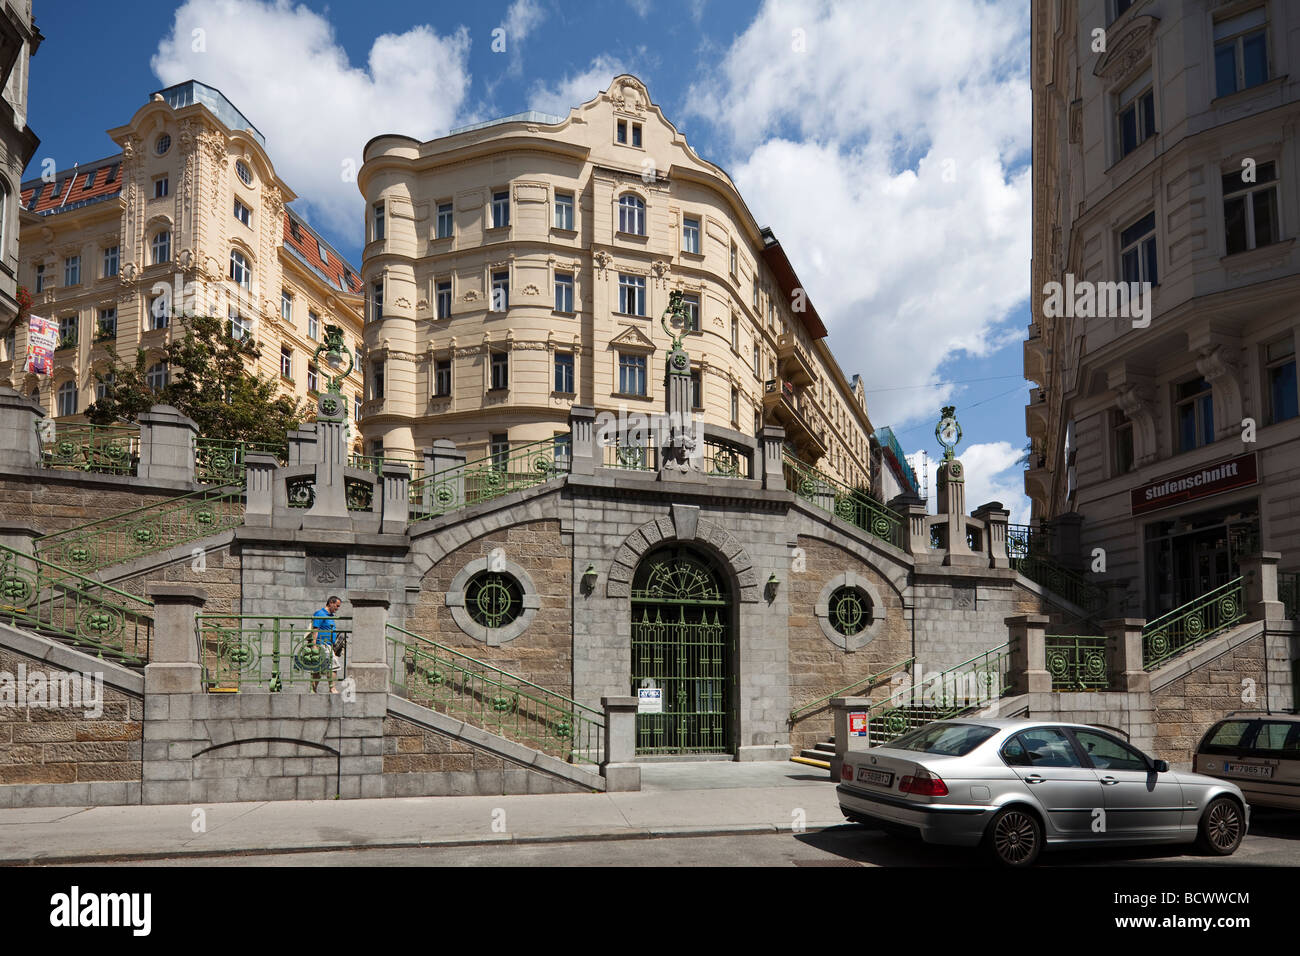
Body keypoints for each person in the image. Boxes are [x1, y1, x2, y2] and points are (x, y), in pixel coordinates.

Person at [309, 596, 343, 693]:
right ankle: (332, 688)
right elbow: (315, 629)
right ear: (331, 603)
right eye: (337, 606)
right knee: (333, 666)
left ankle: (313, 689)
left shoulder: (330, 616)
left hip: (328, 645)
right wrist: (314, 645)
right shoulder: (320, 614)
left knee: (318, 669)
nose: (337, 608)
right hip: (322, 644)